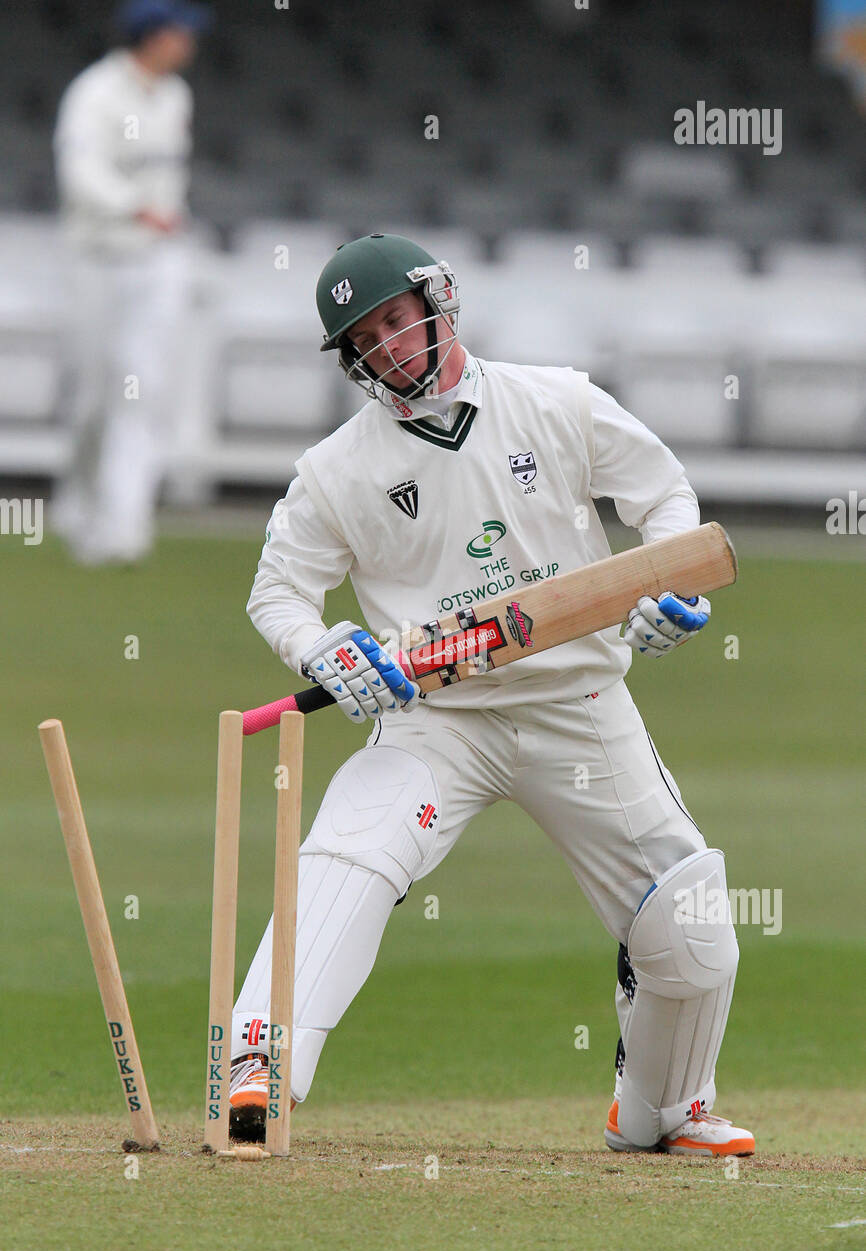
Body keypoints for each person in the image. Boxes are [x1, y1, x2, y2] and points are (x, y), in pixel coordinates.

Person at [229, 233, 755, 1158]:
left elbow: (665, 497)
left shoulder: (556, 400)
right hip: (435, 715)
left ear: (439, 302)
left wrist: (678, 588)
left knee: (691, 925)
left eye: (397, 318)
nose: (389, 346)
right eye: (365, 338)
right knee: (351, 856)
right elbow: (279, 592)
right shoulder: (336, 471)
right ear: (351, 360)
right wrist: (326, 649)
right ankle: (256, 1067)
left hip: (579, 701)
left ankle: (664, 1111)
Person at [52, 0, 210, 565]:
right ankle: (79, 504)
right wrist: (136, 206)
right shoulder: (94, 93)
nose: (189, 42)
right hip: (97, 259)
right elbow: (79, 174)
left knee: (144, 389)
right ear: (151, 35)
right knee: (94, 396)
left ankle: (125, 527)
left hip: (158, 260)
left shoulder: (174, 96)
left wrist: (161, 218)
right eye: (180, 31)